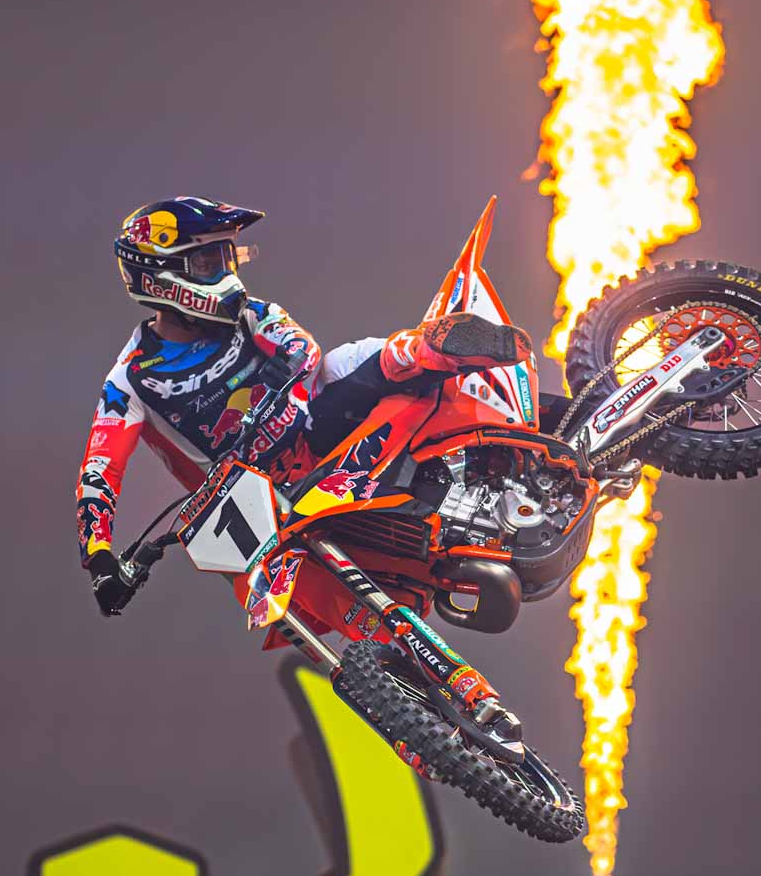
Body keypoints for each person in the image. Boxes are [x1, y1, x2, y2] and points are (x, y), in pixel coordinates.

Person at [79, 196, 532, 614]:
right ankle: (379, 647)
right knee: (292, 601)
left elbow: (304, 348)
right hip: (257, 501)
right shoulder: (129, 380)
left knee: (342, 361)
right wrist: (99, 560)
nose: (226, 273)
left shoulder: (248, 314)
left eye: (226, 258)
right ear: (160, 277)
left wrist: (287, 374)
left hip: (317, 433)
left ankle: (440, 349)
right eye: (208, 262)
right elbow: (100, 472)